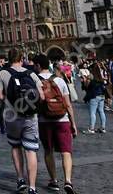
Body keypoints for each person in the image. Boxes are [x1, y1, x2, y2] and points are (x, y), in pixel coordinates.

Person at [0, 48, 42, 194]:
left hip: (12, 116)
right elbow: (42, 96)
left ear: (8, 59)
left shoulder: (3, 73)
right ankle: (32, 187)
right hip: (30, 116)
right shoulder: (31, 73)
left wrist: (9, 101)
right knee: (31, 150)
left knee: (15, 147)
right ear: (22, 58)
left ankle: (21, 179)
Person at [33, 55, 77, 194]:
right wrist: (73, 123)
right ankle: (68, 181)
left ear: (38, 66)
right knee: (66, 151)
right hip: (62, 120)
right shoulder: (60, 80)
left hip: (44, 121)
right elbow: (68, 104)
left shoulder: (36, 81)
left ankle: (54, 181)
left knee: (48, 151)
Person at [84, 66, 107, 134]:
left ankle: (91, 129)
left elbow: (87, 87)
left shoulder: (92, 78)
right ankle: (103, 128)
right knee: (101, 111)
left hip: (94, 96)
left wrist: (86, 80)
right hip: (102, 96)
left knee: (92, 112)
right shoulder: (100, 78)